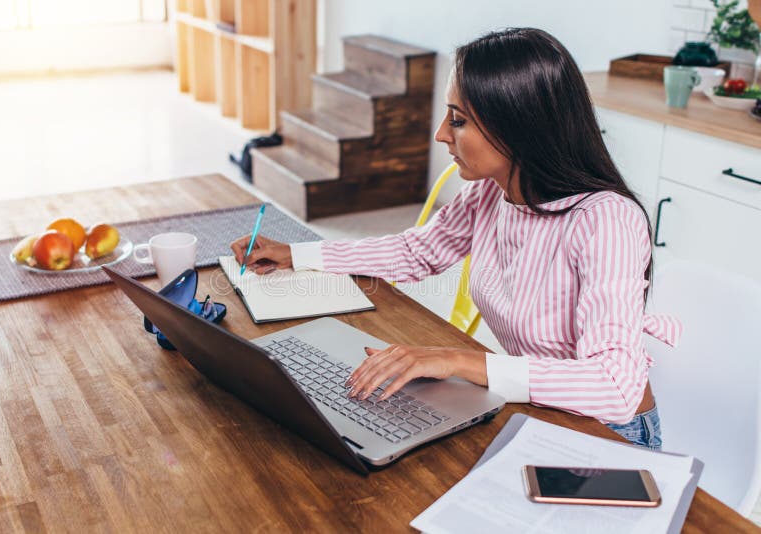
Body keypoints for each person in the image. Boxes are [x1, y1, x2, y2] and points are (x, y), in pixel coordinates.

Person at [230, 28, 681, 449]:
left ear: (518, 126)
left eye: (458, 120)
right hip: (540, 410)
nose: (441, 134)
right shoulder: (492, 191)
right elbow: (414, 252)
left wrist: (461, 361)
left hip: (611, 435)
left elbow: (615, 388)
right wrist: (297, 254)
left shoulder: (606, 221)